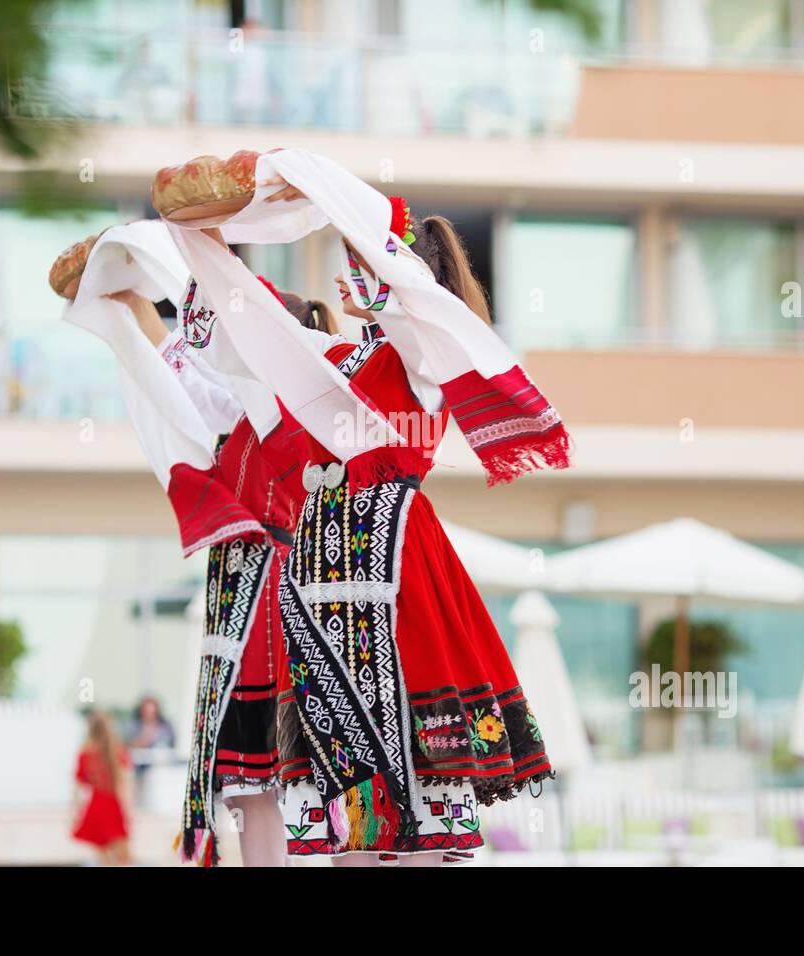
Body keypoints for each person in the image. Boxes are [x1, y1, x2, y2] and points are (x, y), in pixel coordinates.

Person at [174, 162, 567, 866]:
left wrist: (321, 191)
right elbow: (249, 346)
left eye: (357, 262)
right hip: (326, 559)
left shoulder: (425, 351)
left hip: (387, 557)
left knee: (411, 770)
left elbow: (404, 303)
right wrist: (202, 241)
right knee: (344, 784)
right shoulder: (355, 355)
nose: (345, 279)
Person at [105, 269, 334, 867]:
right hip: (239, 592)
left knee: (267, 774)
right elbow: (172, 371)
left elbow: (190, 376)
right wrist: (131, 300)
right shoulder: (243, 409)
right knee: (245, 782)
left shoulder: (295, 411)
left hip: (269, 590)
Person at [71, 711, 133, 865]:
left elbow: (77, 789)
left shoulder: (85, 754)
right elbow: (125, 786)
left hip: (95, 807)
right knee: (123, 858)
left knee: (104, 858)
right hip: (113, 807)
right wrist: (128, 811)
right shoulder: (117, 752)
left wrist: (76, 812)